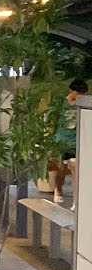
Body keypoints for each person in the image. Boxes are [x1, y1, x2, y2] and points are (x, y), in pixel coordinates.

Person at [52, 78, 87, 207]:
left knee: (75, 171)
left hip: (75, 142)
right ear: (71, 91)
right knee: (60, 171)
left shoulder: (83, 105)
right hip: (61, 141)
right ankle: (58, 189)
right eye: (77, 94)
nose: (79, 97)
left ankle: (76, 201)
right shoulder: (61, 104)